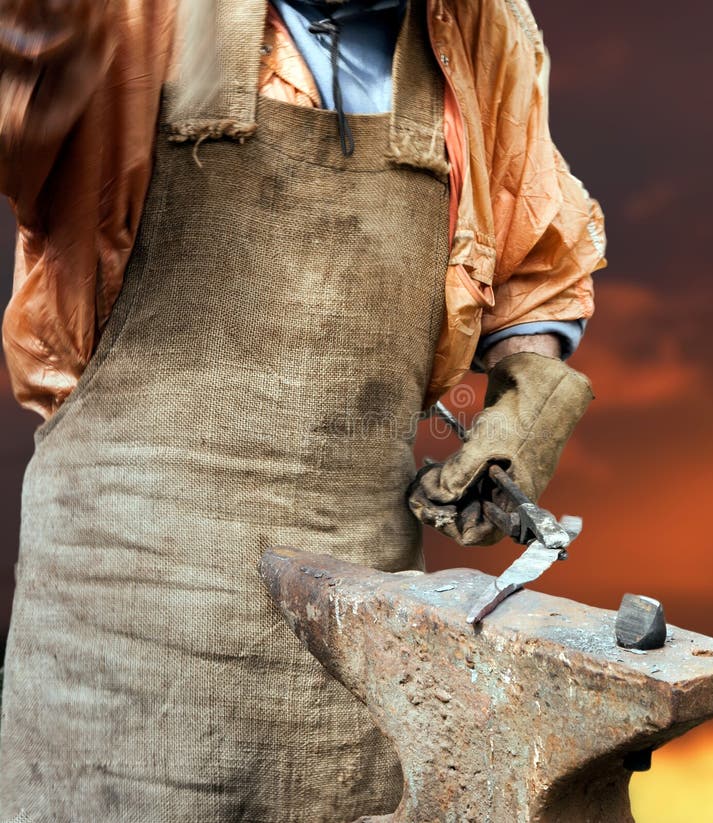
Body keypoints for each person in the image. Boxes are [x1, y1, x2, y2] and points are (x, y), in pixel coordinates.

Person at [0, 0, 606, 819]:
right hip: (119, 647)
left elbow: (536, 258)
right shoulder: (127, 15)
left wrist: (527, 403)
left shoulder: (474, 28)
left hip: (355, 666)